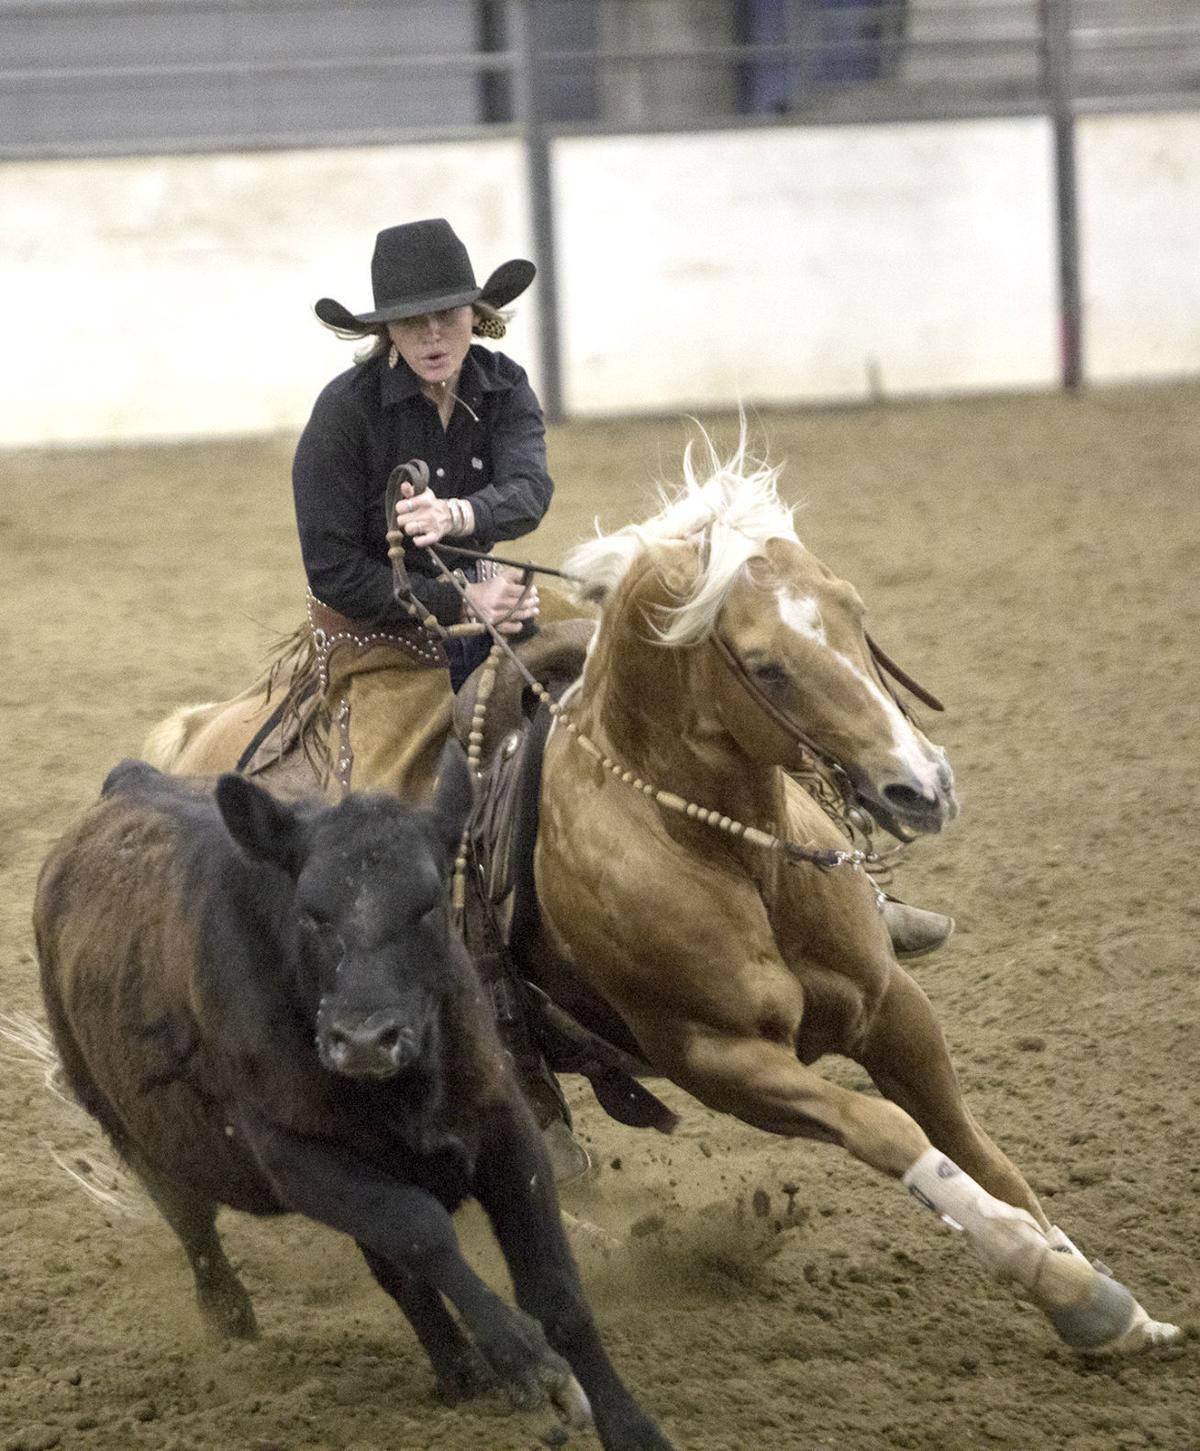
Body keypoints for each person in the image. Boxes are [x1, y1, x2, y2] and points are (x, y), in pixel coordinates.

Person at [292, 217, 550, 802]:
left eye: (450, 316)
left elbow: (530, 491)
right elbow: (333, 573)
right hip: (373, 632)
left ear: (476, 315)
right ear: (387, 330)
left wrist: (457, 517)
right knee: (385, 810)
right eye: (412, 321)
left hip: (482, 607)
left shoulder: (504, 386)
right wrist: (465, 600)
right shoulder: (344, 413)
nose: (433, 336)